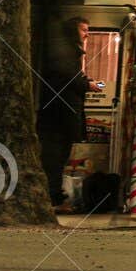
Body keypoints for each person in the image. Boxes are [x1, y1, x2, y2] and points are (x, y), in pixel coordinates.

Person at [36, 16, 90, 210]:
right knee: (56, 157)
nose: (86, 35)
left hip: (59, 113)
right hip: (60, 115)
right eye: (83, 30)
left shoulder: (66, 53)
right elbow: (75, 81)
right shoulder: (68, 54)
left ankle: (55, 195)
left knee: (57, 157)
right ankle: (54, 197)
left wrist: (94, 83)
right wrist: (91, 84)